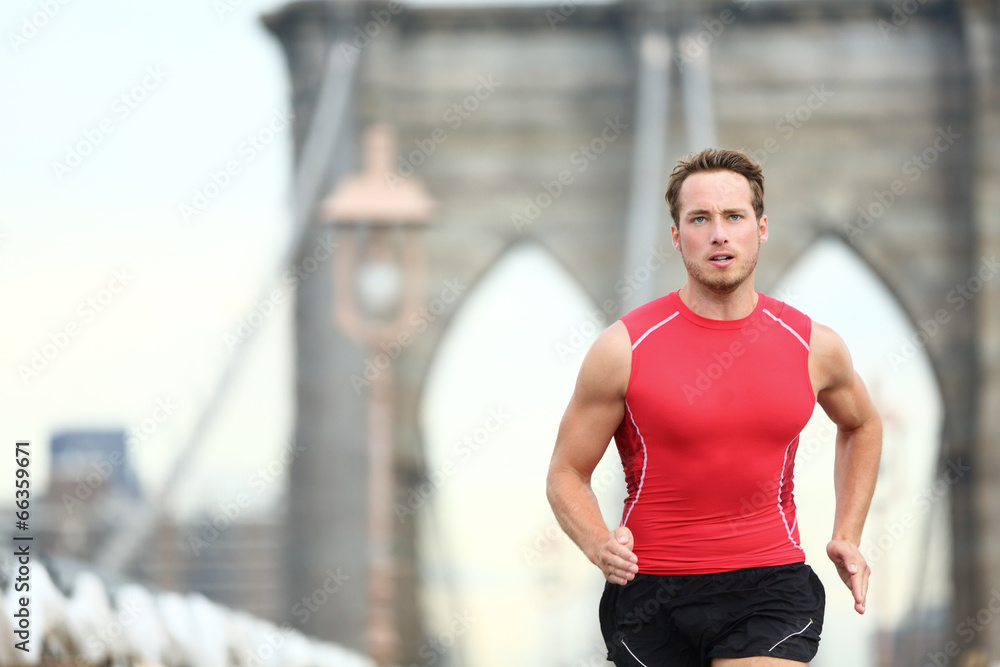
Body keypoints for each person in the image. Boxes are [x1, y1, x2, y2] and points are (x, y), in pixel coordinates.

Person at [546, 148, 882, 666]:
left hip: (770, 586)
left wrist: (847, 534)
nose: (719, 233)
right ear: (678, 236)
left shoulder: (813, 345)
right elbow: (566, 471)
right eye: (700, 219)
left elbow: (862, 423)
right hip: (650, 590)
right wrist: (597, 544)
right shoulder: (623, 349)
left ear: (761, 228)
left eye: (734, 217)